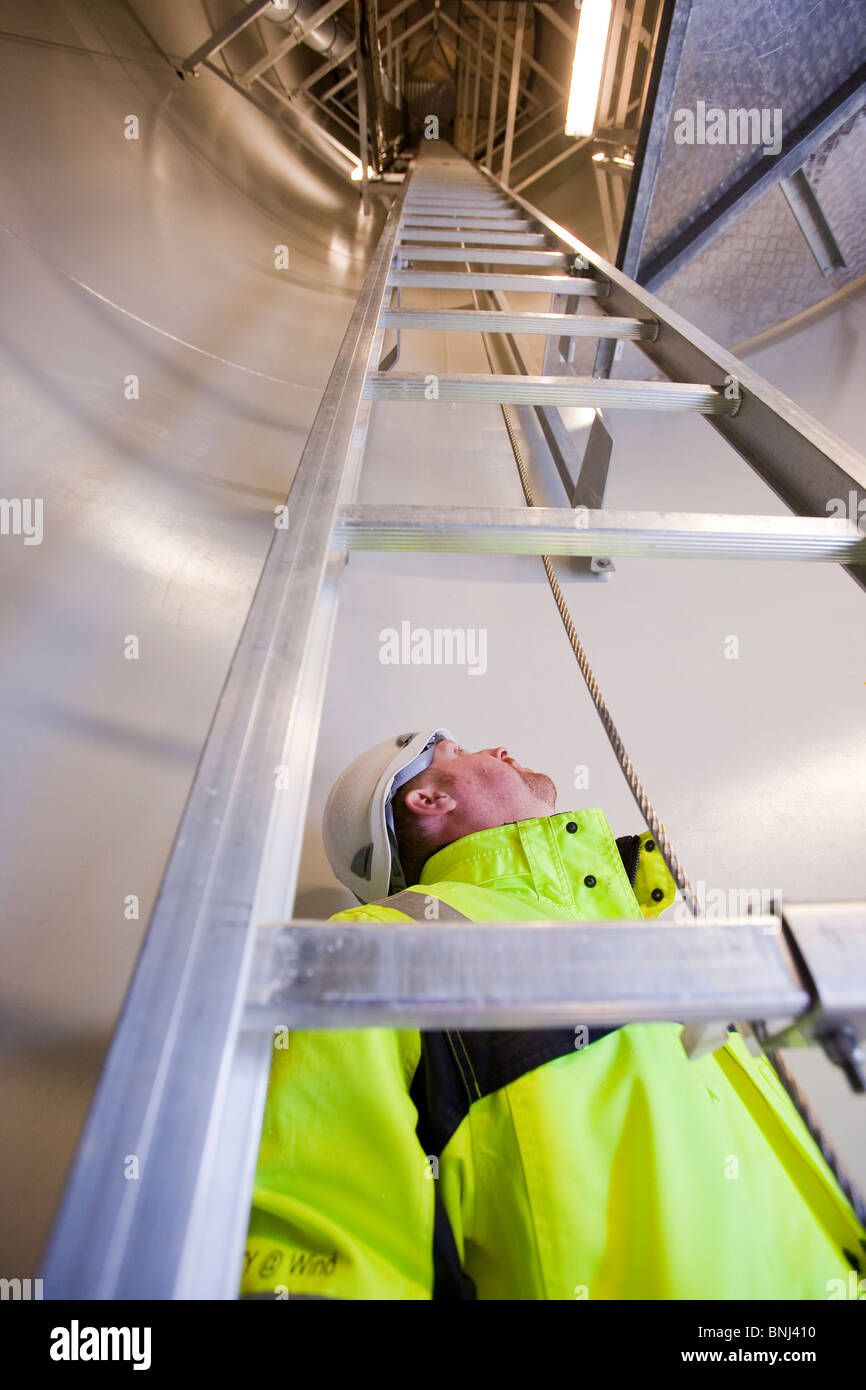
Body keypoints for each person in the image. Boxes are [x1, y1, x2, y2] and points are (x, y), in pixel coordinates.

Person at [240, 728, 866, 1300]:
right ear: (425, 801)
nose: (499, 748)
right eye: (457, 750)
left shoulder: (641, 934)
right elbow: (337, 1243)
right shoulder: (380, 943)